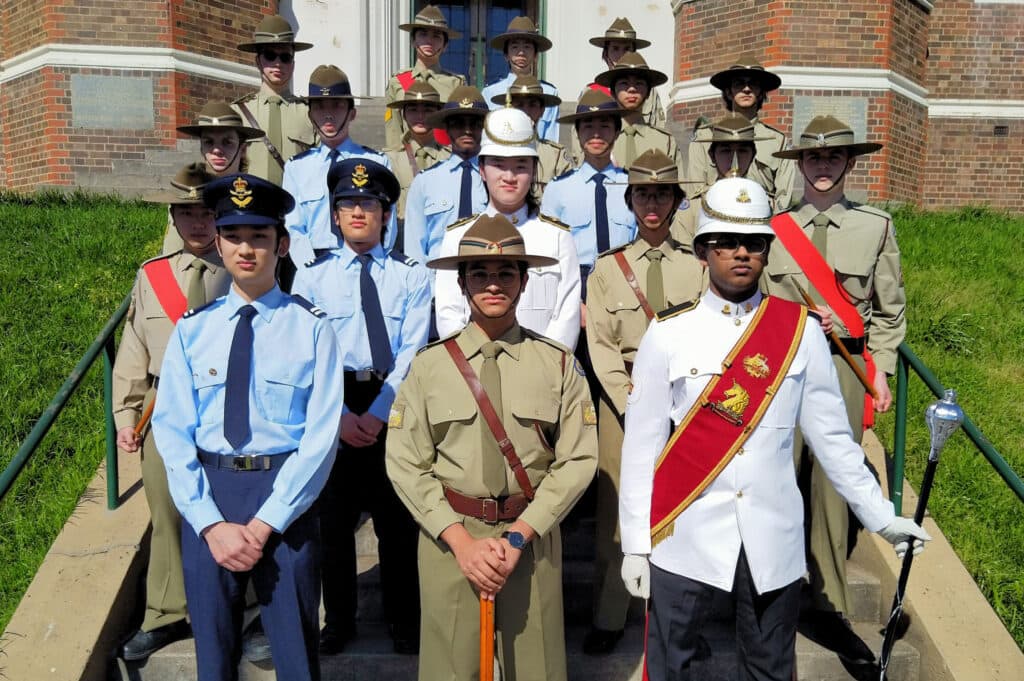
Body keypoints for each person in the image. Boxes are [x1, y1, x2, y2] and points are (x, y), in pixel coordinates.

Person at [618, 177, 929, 681]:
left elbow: (834, 442)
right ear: (702, 251)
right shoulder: (668, 333)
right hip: (684, 532)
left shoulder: (799, 331)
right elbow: (641, 448)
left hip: (771, 536)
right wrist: (635, 542)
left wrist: (880, 516)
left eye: (754, 243)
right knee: (674, 665)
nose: (741, 253)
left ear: (767, 251)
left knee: (769, 669)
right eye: (726, 242)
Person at [385, 214, 598, 681]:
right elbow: (405, 462)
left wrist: (522, 534)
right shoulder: (429, 368)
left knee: (536, 670)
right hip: (451, 539)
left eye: (506, 273)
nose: (493, 284)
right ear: (461, 284)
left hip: (531, 539)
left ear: (524, 282)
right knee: (450, 671)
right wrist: (459, 541)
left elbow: (579, 458)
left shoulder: (557, 365)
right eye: (479, 273)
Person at [151, 174, 343, 680]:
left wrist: (264, 524)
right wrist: (210, 523)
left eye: (259, 236)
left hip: (287, 498)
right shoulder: (194, 329)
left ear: (281, 244)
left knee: (297, 657)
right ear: (217, 241)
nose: (246, 249)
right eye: (234, 236)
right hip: (210, 496)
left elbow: (320, 440)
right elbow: (172, 430)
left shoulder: (314, 328)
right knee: (213, 660)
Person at [764, 114, 906, 663]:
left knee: (830, 477)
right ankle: (766, 587)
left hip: (842, 366)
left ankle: (824, 599)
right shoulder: (774, 228)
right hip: (780, 364)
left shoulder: (876, 226)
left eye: (832, 159)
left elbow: (890, 313)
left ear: (849, 163)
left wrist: (881, 372)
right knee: (775, 466)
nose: (822, 168)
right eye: (812, 159)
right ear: (799, 165)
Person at [291, 159, 431, 655]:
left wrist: (378, 413)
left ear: (386, 214)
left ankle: (404, 618)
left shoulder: (411, 278)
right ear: (333, 216)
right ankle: (341, 621)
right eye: (347, 204)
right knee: (333, 522)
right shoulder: (311, 279)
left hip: (393, 402)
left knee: (397, 520)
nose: (357, 212)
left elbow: (413, 350)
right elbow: (305, 356)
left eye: (368, 204)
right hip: (335, 404)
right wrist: (342, 416)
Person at [580, 150, 705, 655]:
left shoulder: (697, 266)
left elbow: (706, 334)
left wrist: (685, 399)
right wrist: (629, 402)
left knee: (684, 510)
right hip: (625, 401)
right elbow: (603, 346)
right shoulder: (608, 270)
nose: (652, 203)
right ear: (630, 201)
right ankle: (610, 615)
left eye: (662, 193)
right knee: (617, 508)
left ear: (676, 200)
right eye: (642, 193)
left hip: (684, 402)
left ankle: (681, 622)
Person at [113, 163, 230, 661]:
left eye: (206, 212)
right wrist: (125, 418)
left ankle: (233, 611)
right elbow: (134, 352)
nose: (197, 223)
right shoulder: (153, 276)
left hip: (228, 407)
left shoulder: (244, 266)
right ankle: (165, 613)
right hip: (167, 409)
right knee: (166, 511)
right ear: (173, 217)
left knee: (226, 511)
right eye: (186, 212)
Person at [434, 107, 581, 350]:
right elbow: (449, 312)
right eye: (498, 165)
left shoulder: (557, 236)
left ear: (534, 170)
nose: (509, 176)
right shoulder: (457, 235)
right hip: (473, 370)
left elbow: (566, 316)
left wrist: (547, 367)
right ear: (481, 169)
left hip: (540, 371)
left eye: (521, 165)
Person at [283, 64, 394, 271]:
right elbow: (294, 228)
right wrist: (312, 270)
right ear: (310, 115)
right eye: (320, 106)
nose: (328, 114)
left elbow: (387, 225)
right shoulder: (296, 168)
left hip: (365, 263)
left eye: (336, 105)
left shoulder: (377, 163)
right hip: (312, 263)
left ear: (352, 113)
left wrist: (375, 266)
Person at [541, 89, 634, 288]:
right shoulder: (559, 188)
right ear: (577, 132)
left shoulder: (633, 186)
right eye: (588, 126)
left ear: (617, 132)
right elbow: (549, 249)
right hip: (576, 280)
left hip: (626, 277)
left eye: (605, 126)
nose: (596, 134)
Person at [685, 53, 794, 212]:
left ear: (761, 93)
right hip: (715, 216)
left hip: (762, 219)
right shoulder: (705, 136)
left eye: (753, 84)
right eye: (739, 84)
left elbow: (784, 198)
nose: (747, 89)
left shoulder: (777, 140)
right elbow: (694, 191)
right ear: (728, 92)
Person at [402, 85, 490, 266]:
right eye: (458, 124)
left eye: (475, 124)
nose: (467, 130)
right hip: (438, 282)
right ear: (447, 128)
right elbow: (415, 247)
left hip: (485, 279)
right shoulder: (426, 181)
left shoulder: (496, 179)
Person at [163, 102, 265, 254]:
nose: (217, 150)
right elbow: (173, 254)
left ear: (242, 149)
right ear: (201, 147)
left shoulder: (258, 198)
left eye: (227, 142)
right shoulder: (186, 193)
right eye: (209, 142)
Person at [233, 14, 318, 185]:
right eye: (270, 56)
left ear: (293, 64)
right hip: (250, 205)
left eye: (285, 57)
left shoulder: (310, 113)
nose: (278, 63)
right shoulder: (237, 113)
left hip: (295, 206)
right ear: (258, 61)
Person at [570, 17, 666, 162]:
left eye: (626, 49)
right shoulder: (591, 92)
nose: (621, 54)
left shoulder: (649, 92)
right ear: (606, 53)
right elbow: (578, 135)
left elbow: (658, 128)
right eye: (615, 48)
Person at [672, 113, 774, 248]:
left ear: (753, 155)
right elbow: (685, 262)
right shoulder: (692, 211)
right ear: (712, 156)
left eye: (742, 151)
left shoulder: (768, 207)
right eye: (726, 151)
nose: (734, 160)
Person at [383, 4, 466, 150]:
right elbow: (393, 129)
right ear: (413, 40)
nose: (429, 41)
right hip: (408, 159)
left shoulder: (456, 83)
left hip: (444, 159)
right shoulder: (398, 81)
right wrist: (395, 160)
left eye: (436, 36)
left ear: (445, 45)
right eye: (423, 34)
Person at [383, 81, 450, 252]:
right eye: (413, 110)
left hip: (442, 239)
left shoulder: (450, 159)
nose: (420, 116)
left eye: (428, 110)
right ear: (404, 114)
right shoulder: (389, 160)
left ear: (438, 114)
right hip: (401, 240)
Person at [593, 52, 683, 173]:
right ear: (613, 92)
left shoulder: (664, 141)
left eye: (639, 83)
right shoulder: (599, 140)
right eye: (624, 83)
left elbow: (679, 189)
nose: (632, 89)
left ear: (648, 93)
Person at [481, 16, 561, 143]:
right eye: (514, 47)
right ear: (506, 55)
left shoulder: (548, 92)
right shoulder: (490, 92)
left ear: (535, 55)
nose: (521, 53)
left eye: (527, 47)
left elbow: (551, 139)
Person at [490, 74, 571, 198]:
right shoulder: (494, 152)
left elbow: (566, 200)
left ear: (542, 110)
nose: (526, 111)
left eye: (532, 105)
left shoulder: (556, 156)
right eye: (519, 105)